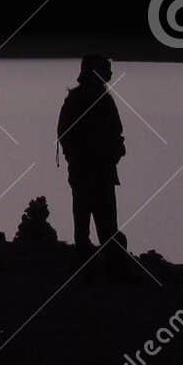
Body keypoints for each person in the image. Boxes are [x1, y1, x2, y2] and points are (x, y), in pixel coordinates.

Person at [55, 54, 126, 260]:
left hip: (100, 171)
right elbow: (66, 134)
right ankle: (89, 264)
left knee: (105, 225)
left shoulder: (103, 100)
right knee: (88, 225)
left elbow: (116, 131)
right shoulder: (79, 100)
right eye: (105, 68)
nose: (109, 73)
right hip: (86, 171)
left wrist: (115, 151)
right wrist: (80, 158)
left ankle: (107, 263)